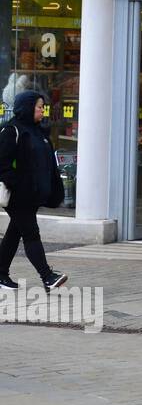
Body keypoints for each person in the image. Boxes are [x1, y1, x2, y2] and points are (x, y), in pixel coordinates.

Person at [0, 90, 69, 292]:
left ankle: (1, 273)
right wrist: (18, 185)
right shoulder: (11, 130)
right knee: (31, 233)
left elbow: (47, 164)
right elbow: (2, 164)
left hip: (32, 195)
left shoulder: (39, 133)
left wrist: (53, 189)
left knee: (15, 232)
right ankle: (47, 277)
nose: (42, 110)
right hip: (18, 196)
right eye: (39, 107)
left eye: (42, 107)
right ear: (28, 107)